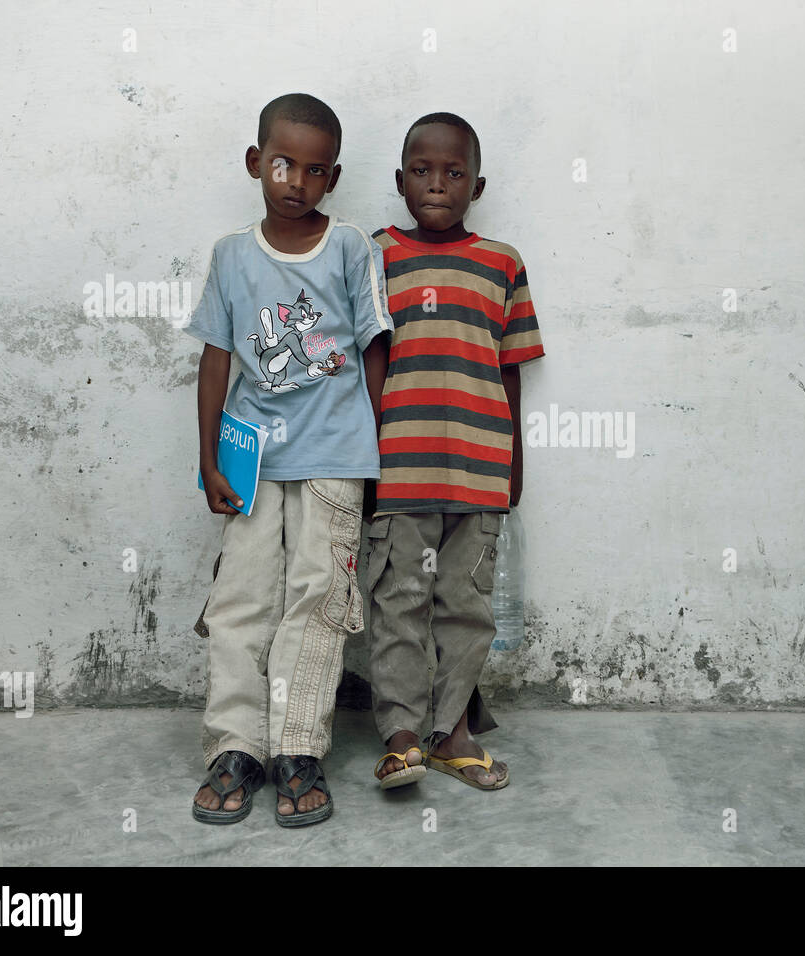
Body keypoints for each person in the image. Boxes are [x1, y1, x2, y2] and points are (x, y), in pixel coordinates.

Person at [184, 93, 392, 825]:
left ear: (332, 177)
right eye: (282, 164)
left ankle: (299, 747)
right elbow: (215, 360)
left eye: (314, 169)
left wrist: (371, 450)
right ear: (255, 163)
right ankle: (236, 747)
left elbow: (374, 349)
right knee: (240, 599)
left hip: (334, 455)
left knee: (319, 599)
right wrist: (208, 457)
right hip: (251, 457)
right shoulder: (231, 256)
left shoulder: (352, 248)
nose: (296, 181)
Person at [365, 112, 544, 791]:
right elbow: (369, 361)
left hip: (478, 469)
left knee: (466, 606)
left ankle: (451, 733)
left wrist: (514, 463)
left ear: (478, 185)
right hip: (399, 467)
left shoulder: (503, 263)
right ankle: (402, 734)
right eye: (421, 170)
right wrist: (366, 456)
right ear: (399, 180)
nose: (436, 184)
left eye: (454, 172)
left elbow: (510, 369)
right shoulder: (376, 256)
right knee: (399, 600)